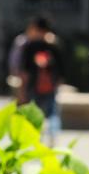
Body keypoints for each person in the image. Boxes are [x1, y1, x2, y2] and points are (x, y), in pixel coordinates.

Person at [19, 16, 64, 145]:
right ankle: (53, 136)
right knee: (52, 113)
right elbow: (62, 68)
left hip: (33, 85)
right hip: (51, 85)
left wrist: (22, 90)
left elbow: (25, 71)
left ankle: (36, 138)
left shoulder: (30, 46)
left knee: (35, 113)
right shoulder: (54, 45)